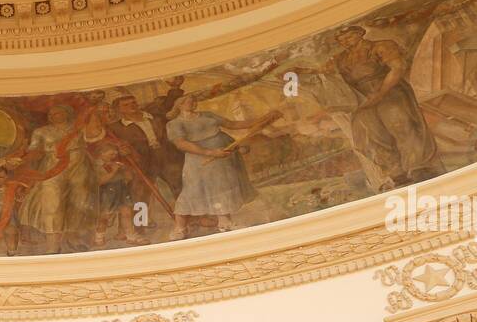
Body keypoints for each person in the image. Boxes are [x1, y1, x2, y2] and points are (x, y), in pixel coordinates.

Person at [290, 25, 441, 189]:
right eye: (341, 40)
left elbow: (398, 68)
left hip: (389, 90)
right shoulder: (341, 59)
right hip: (361, 99)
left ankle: (419, 168)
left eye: (349, 37)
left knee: (402, 126)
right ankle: (396, 174)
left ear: (360, 33)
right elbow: (323, 70)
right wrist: (300, 71)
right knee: (371, 135)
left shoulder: (380, 46)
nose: (345, 42)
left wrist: (381, 93)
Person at [165, 94, 276, 237]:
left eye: (194, 101)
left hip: (223, 155)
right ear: (179, 105)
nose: (193, 104)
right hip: (199, 159)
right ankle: (180, 228)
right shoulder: (175, 124)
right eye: (189, 102)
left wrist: (264, 118)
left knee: (222, 188)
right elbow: (181, 143)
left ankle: (224, 223)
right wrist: (209, 152)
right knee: (192, 190)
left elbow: (233, 125)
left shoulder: (208, 115)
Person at [19, 104, 103, 253]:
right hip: (52, 166)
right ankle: (52, 245)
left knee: (80, 201)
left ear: (67, 113)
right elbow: (34, 150)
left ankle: (74, 238)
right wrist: (24, 160)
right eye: (51, 114)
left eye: (58, 113)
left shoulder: (78, 127)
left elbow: (94, 135)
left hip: (79, 164)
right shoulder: (41, 131)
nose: (53, 116)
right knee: (51, 203)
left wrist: (92, 113)